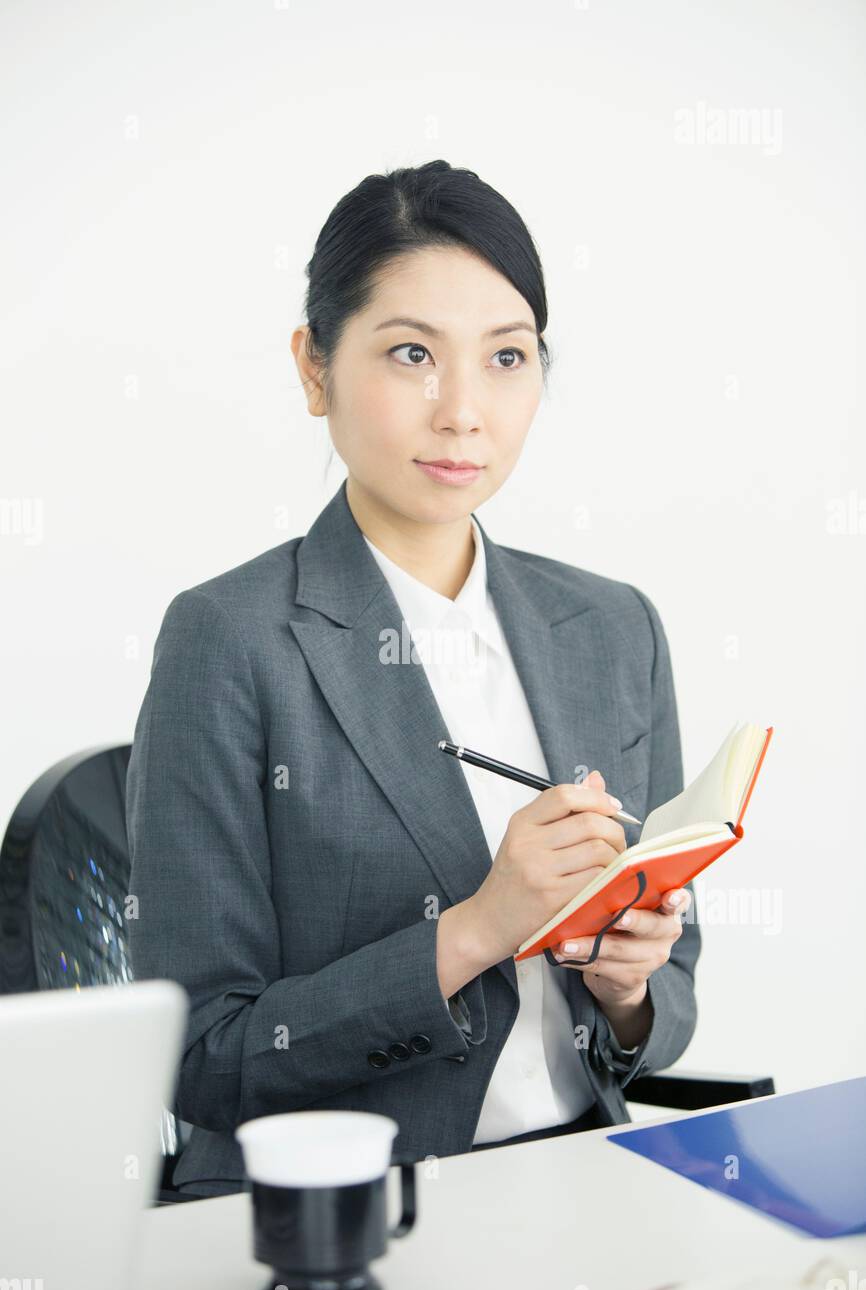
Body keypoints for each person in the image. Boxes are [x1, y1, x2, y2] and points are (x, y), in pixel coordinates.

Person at [126, 159, 700, 1198]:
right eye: (409, 354)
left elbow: (668, 1001)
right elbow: (202, 1057)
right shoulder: (230, 639)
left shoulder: (613, 629)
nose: (462, 412)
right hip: (349, 1212)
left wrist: (629, 989)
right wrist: (478, 928)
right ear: (313, 369)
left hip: (582, 1182)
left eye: (506, 357)